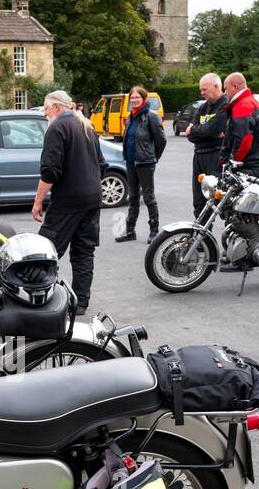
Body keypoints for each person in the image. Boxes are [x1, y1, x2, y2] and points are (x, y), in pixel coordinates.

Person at [31, 89, 106, 316]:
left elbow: (50, 171)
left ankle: (36, 295)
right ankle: (81, 302)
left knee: (46, 249)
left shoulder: (57, 127)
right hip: (92, 198)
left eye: (45, 109)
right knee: (84, 251)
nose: (45, 114)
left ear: (55, 107)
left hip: (69, 200)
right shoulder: (86, 126)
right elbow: (101, 165)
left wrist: (37, 202)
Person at [114, 85, 166, 242]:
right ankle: (130, 232)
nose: (134, 100)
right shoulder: (131, 116)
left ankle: (154, 231)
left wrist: (153, 157)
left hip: (145, 163)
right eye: (132, 98)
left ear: (144, 99)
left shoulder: (151, 116)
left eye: (137, 97)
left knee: (149, 198)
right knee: (133, 197)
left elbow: (161, 140)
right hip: (130, 163)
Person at [185, 73, 227, 217]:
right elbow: (190, 135)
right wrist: (205, 132)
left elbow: (212, 129)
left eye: (204, 89)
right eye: (200, 90)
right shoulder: (203, 107)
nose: (201, 93)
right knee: (198, 201)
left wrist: (196, 130)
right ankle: (201, 237)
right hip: (199, 157)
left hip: (215, 156)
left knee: (217, 201)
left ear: (216, 87)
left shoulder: (225, 105)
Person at [221, 73, 259, 176]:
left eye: (226, 89)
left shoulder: (242, 106)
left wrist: (232, 163)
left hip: (245, 164)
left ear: (235, 86)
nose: (224, 93)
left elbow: (244, 139)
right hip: (258, 159)